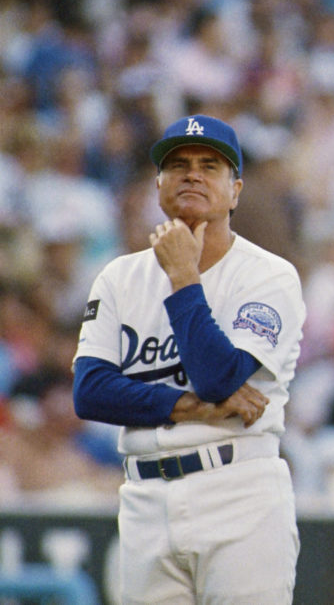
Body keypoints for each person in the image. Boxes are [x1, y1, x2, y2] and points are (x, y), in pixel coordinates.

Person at [71, 114, 305, 604]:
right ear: (158, 185)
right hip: (144, 498)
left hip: (238, 490)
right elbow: (91, 392)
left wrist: (183, 278)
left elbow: (219, 378)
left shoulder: (268, 276)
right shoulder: (119, 277)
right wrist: (188, 407)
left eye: (209, 166)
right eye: (177, 165)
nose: (192, 174)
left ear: (235, 190)